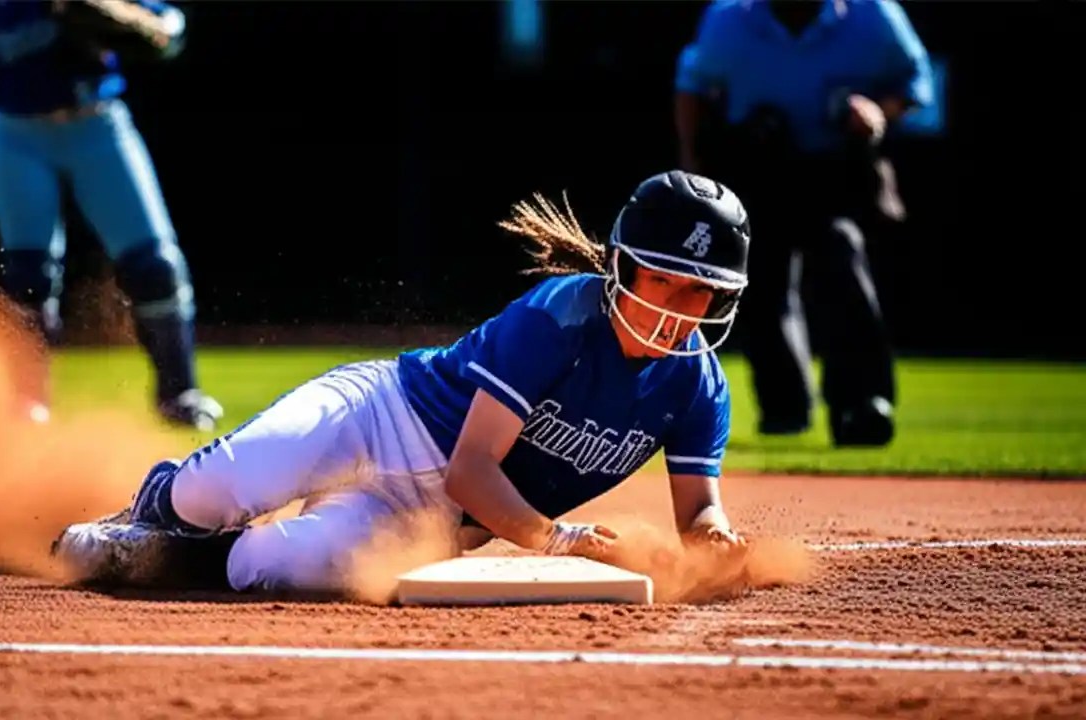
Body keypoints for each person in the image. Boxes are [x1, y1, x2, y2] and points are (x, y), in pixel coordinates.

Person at [52, 170, 753, 595]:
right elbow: (471, 472)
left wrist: (714, 541)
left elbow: (699, 514)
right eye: (663, 279)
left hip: (424, 524)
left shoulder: (698, 388)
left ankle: (166, 558)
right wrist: (557, 540)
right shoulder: (561, 317)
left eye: (701, 292)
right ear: (622, 267)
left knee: (276, 565)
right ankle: (159, 507)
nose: (677, 306)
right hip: (381, 413)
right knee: (222, 489)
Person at [0, 0, 224, 431]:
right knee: (28, 277)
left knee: (156, 266)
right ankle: (29, 401)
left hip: (97, 124)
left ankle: (180, 393)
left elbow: (170, 26)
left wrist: (145, 23)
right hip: (17, 134)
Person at [674, 0, 935, 446]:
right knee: (763, 284)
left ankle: (862, 403)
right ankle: (784, 408)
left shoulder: (874, 16)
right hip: (759, 166)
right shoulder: (729, 19)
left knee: (841, 251)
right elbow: (692, 86)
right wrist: (693, 164)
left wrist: (878, 111)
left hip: (835, 169)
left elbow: (916, 81)